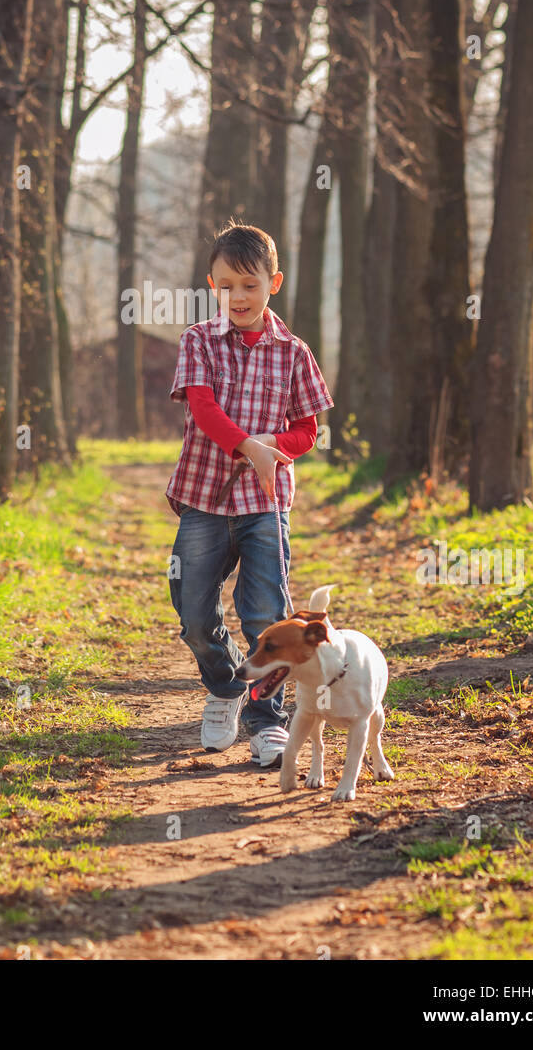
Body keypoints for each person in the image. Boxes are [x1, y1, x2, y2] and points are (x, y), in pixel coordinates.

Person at [166, 222, 334, 767]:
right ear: (211, 286)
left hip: (265, 503)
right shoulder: (198, 341)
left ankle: (267, 719)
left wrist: (272, 446)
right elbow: (204, 409)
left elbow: (307, 431)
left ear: (273, 283)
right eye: (225, 286)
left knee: (265, 610)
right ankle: (224, 685)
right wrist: (249, 448)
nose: (237, 297)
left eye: (248, 285)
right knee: (192, 608)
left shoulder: (293, 351)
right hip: (204, 497)